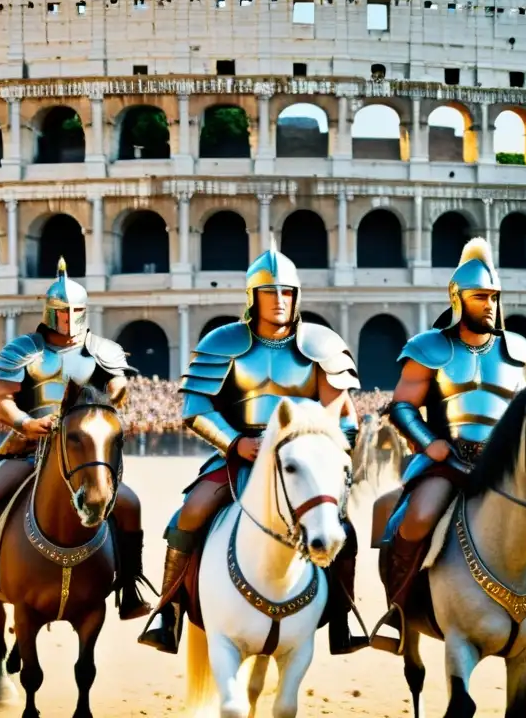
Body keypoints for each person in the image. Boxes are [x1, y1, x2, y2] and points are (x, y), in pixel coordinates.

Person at [138, 243, 365, 656]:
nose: (279, 300)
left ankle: (343, 617)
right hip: (239, 452)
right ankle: (168, 613)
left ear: (297, 297)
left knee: (341, 529)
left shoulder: (321, 344)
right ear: (252, 296)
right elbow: (195, 408)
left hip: (301, 456)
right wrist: (237, 442)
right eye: (269, 292)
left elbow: (345, 416)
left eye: (287, 292)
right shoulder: (222, 342)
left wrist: (330, 450)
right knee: (188, 514)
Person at [370, 237, 526, 656]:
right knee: (416, 519)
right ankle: (398, 611)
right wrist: (430, 444)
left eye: (494, 297)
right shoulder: (429, 348)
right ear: (458, 299)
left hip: (504, 465)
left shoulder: (517, 349)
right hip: (447, 460)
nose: (489, 304)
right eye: (480, 297)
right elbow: (402, 407)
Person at [0, 258, 152, 623]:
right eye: (63, 313)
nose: (70, 320)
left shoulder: (102, 349)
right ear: (50, 312)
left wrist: (113, 395)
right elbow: (1, 399)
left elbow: (118, 387)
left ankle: (130, 586)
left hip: (81, 449)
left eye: (77, 312)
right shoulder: (24, 350)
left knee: (129, 504)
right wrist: (26, 422)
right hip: (29, 448)